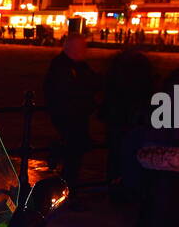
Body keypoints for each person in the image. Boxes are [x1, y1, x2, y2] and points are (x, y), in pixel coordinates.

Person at [43, 33, 100, 193]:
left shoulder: (76, 65)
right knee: (73, 152)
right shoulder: (63, 67)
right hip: (69, 115)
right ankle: (68, 187)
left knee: (75, 152)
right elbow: (68, 91)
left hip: (76, 115)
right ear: (74, 49)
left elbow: (93, 83)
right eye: (83, 47)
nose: (86, 50)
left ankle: (65, 176)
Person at [98, 48, 154, 202]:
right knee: (132, 157)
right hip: (134, 122)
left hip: (117, 121)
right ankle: (130, 189)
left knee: (115, 157)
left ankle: (116, 189)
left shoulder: (115, 76)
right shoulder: (141, 78)